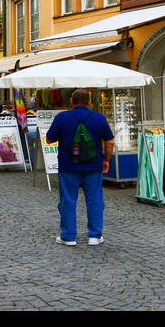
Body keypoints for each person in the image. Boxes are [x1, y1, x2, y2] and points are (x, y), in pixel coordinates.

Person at [44, 89, 114, 247]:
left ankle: (68, 236)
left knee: (68, 200)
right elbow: (110, 142)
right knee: (94, 199)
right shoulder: (98, 117)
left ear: (71, 101)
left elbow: (49, 139)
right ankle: (95, 236)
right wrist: (106, 159)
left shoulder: (62, 117)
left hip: (68, 166)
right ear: (89, 102)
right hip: (93, 165)